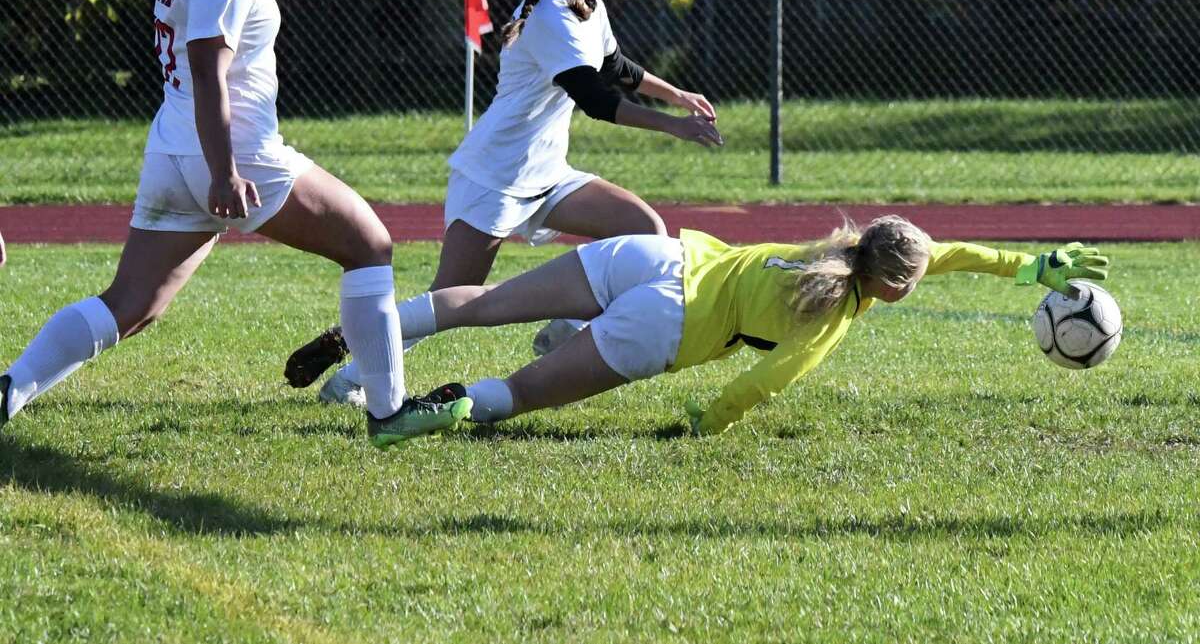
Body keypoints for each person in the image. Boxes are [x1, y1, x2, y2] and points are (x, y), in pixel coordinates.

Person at [0, 0, 469, 446]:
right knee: (370, 247)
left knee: (133, 303)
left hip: (173, 150)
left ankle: (11, 388)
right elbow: (208, 73)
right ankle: (388, 412)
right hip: (236, 154)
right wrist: (224, 173)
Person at [286, 0, 724, 406]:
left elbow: (614, 64)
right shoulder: (548, 18)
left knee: (645, 231)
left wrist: (676, 95)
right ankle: (349, 372)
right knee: (452, 297)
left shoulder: (589, 5)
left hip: (548, 175)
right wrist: (674, 126)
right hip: (495, 176)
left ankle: (569, 328)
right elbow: (596, 98)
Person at [377, 217, 1110, 435]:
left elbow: (940, 254)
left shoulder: (839, 249)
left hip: (658, 255)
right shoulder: (832, 318)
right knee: (518, 392)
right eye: (911, 284)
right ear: (890, 289)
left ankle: (373, 331)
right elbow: (762, 381)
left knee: (485, 298)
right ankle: (444, 408)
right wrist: (703, 421)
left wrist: (1032, 265)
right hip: (666, 322)